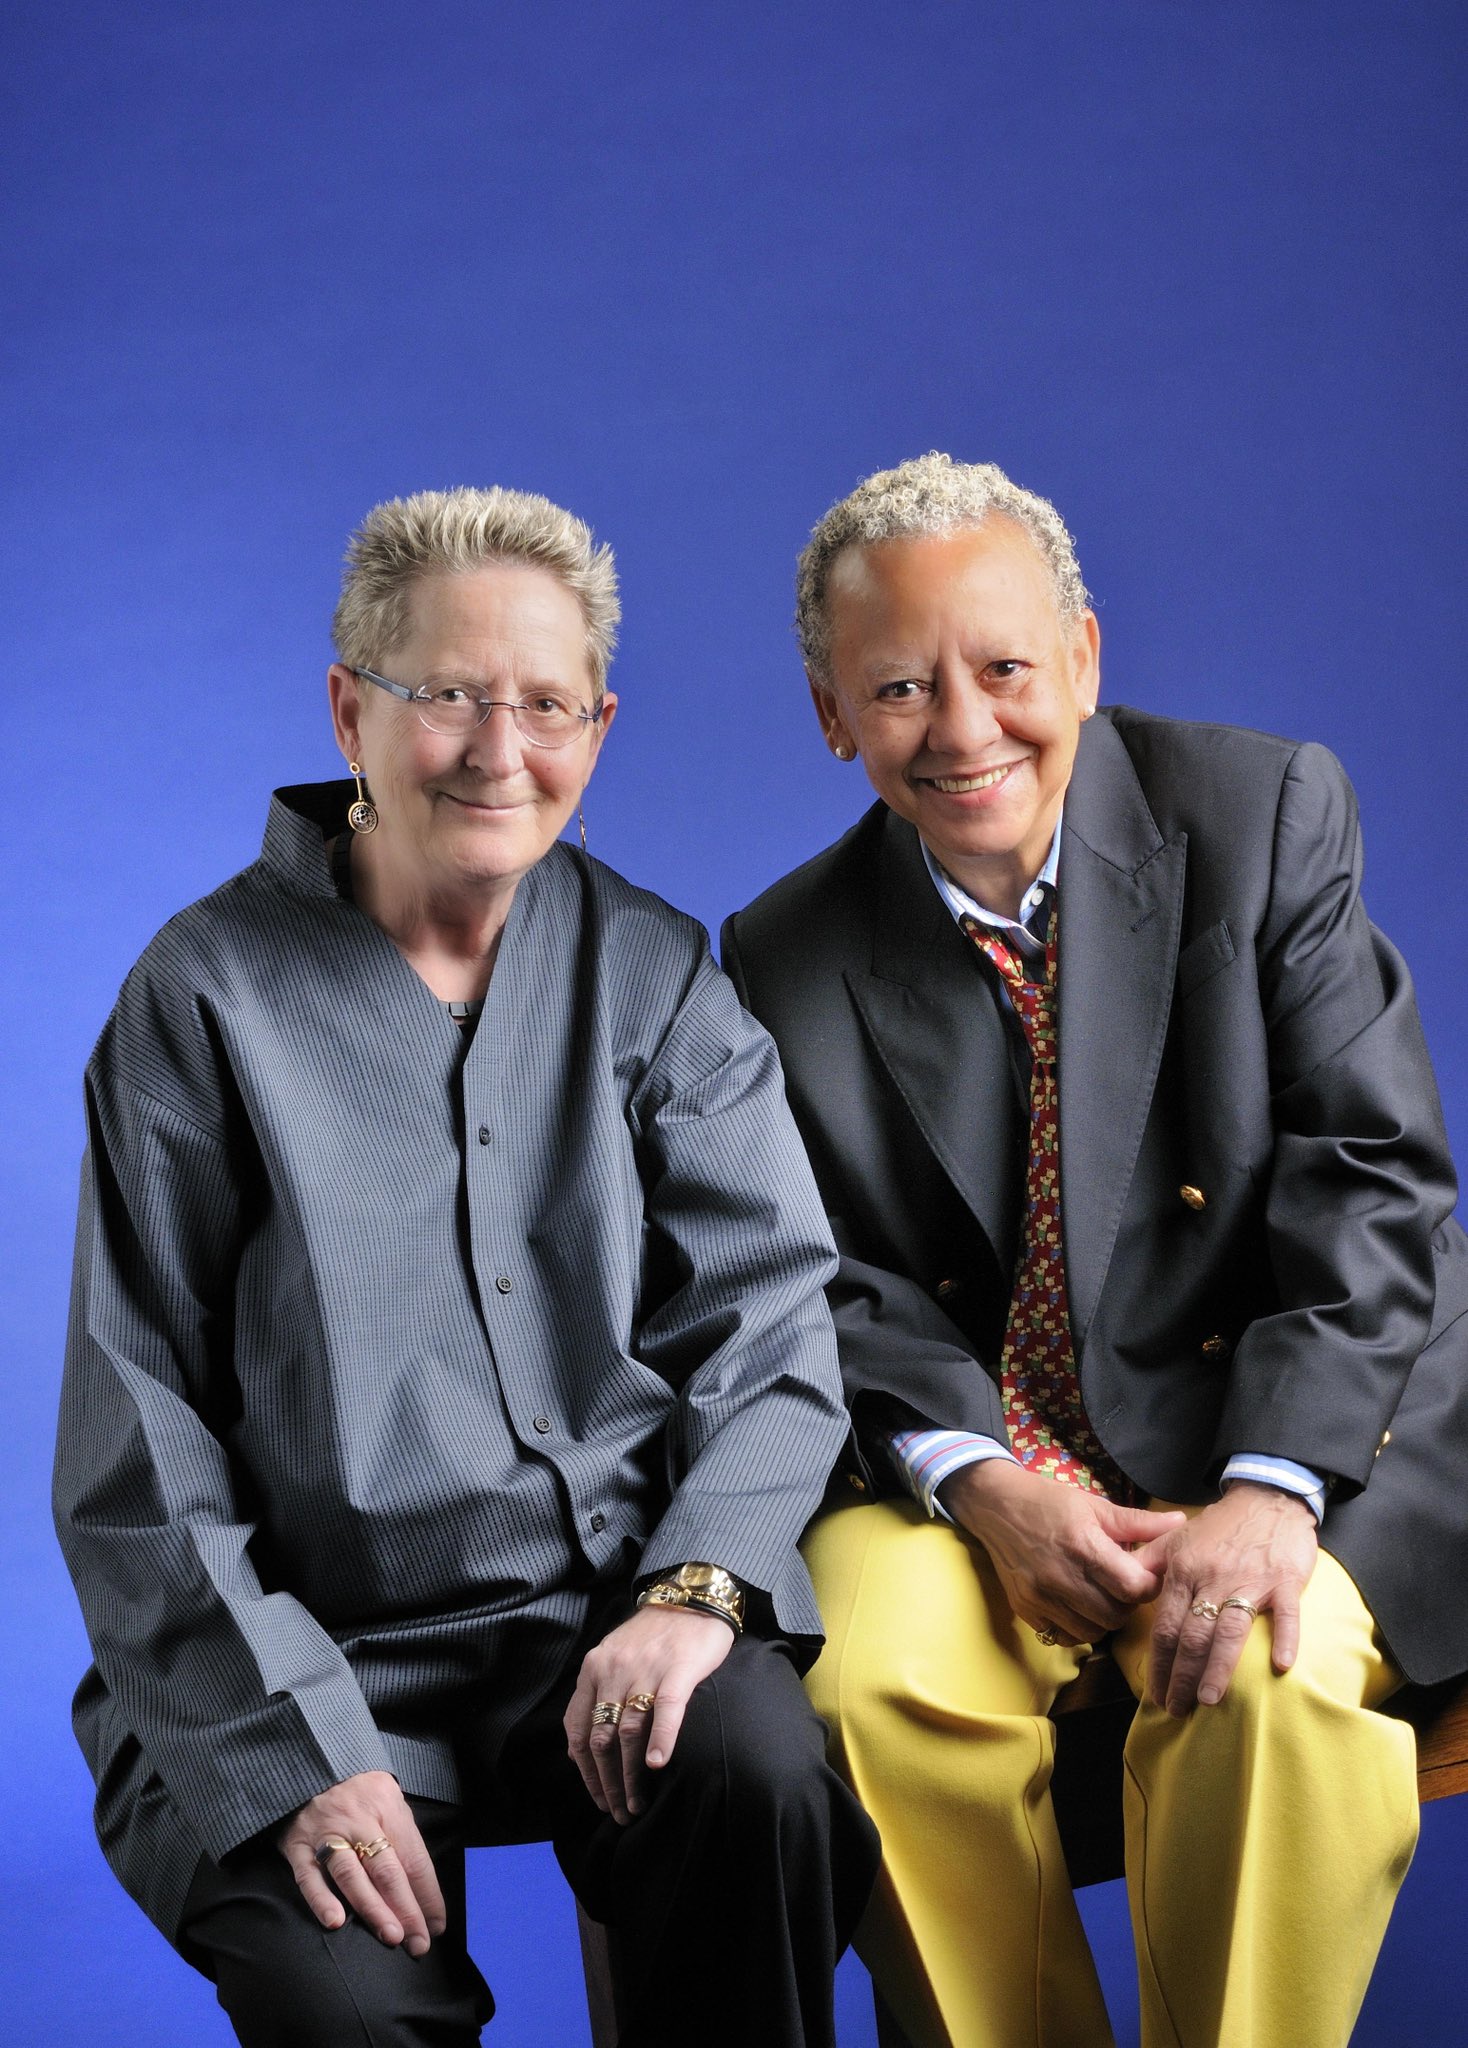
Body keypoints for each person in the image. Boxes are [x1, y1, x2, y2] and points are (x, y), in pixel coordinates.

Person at [54, 485, 878, 2048]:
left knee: (762, 1782)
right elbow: (135, 1438)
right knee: (350, 2009)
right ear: (351, 708)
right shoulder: (199, 998)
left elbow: (771, 1324)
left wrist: (695, 1592)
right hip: (299, 1651)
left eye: (548, 703)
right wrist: (289, 1749)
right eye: (448, 696)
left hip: (604, 1616)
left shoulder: (654, 972)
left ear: (602, 723)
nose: (503, 748)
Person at [721, 452, 1468, 2048]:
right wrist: (981, 1483)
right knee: (855, 1695)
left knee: (1260, 1693)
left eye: (1003, 668)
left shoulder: (1260, 812)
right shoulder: (780, 953)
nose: (966, 727)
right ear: (830, 713)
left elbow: (1373, 1178)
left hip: (1284, 1434)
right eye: (901, 686)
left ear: (1085, 658)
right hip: (973, 1467)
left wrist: (1275, 1489)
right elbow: (817, 1280)